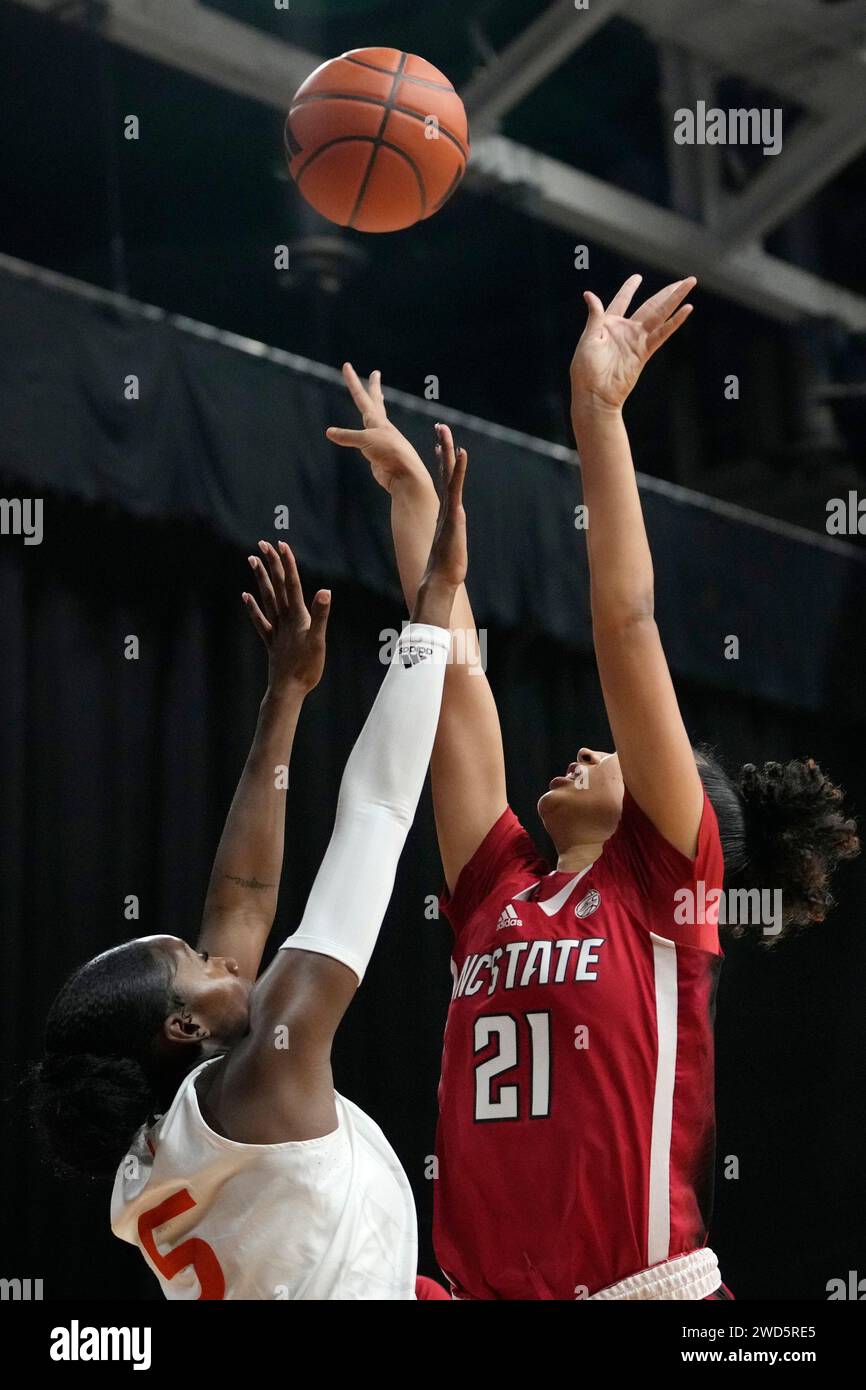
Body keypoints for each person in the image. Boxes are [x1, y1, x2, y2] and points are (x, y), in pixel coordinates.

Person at [326, 274, 859, 1301]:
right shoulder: (499, 893)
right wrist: (414, 510)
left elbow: (624, 627)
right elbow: (456, 689)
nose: (584, 749)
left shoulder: (664, 881)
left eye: (612, 753)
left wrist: (598, 419)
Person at [29, 442, 468, 1300]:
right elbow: (374, 820)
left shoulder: (165, 1139)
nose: (220, 956)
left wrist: (286, 695)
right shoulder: (269, 1066)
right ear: (183, 1027)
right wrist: (436, 605)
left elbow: (243, 896)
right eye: (197, 964)